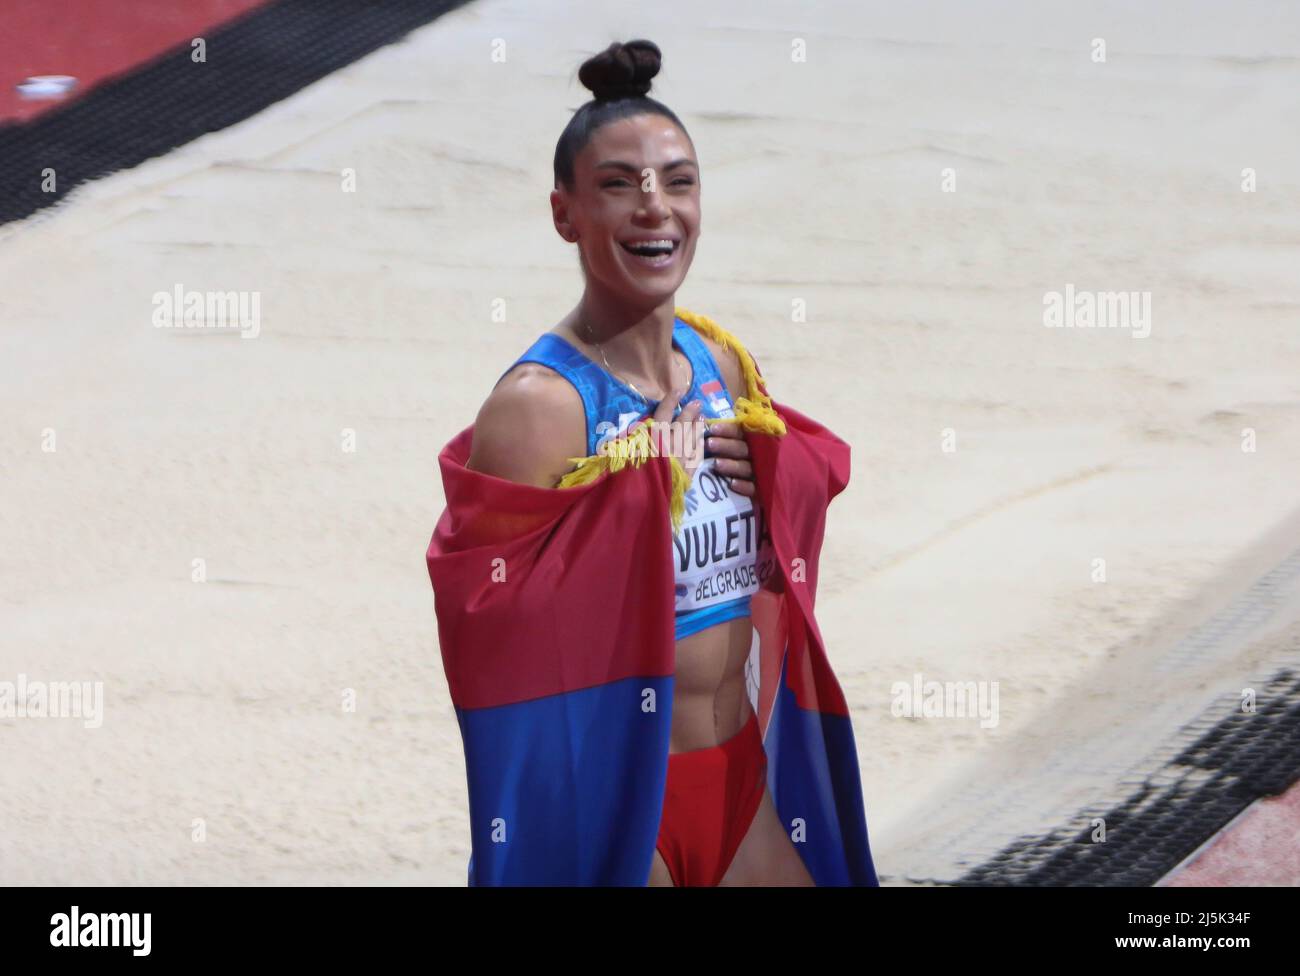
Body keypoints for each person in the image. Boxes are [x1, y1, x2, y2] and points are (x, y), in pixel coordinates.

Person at [433, 38, 878, 887]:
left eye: (679, 181)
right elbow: (484, 623)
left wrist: (779, 479)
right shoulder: (542, 405)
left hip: (739, 781)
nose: (655, 209)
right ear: (565, 215)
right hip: (617, 804)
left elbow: (805, 499)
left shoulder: (719, 364)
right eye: (617, 186)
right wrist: (630, 496)